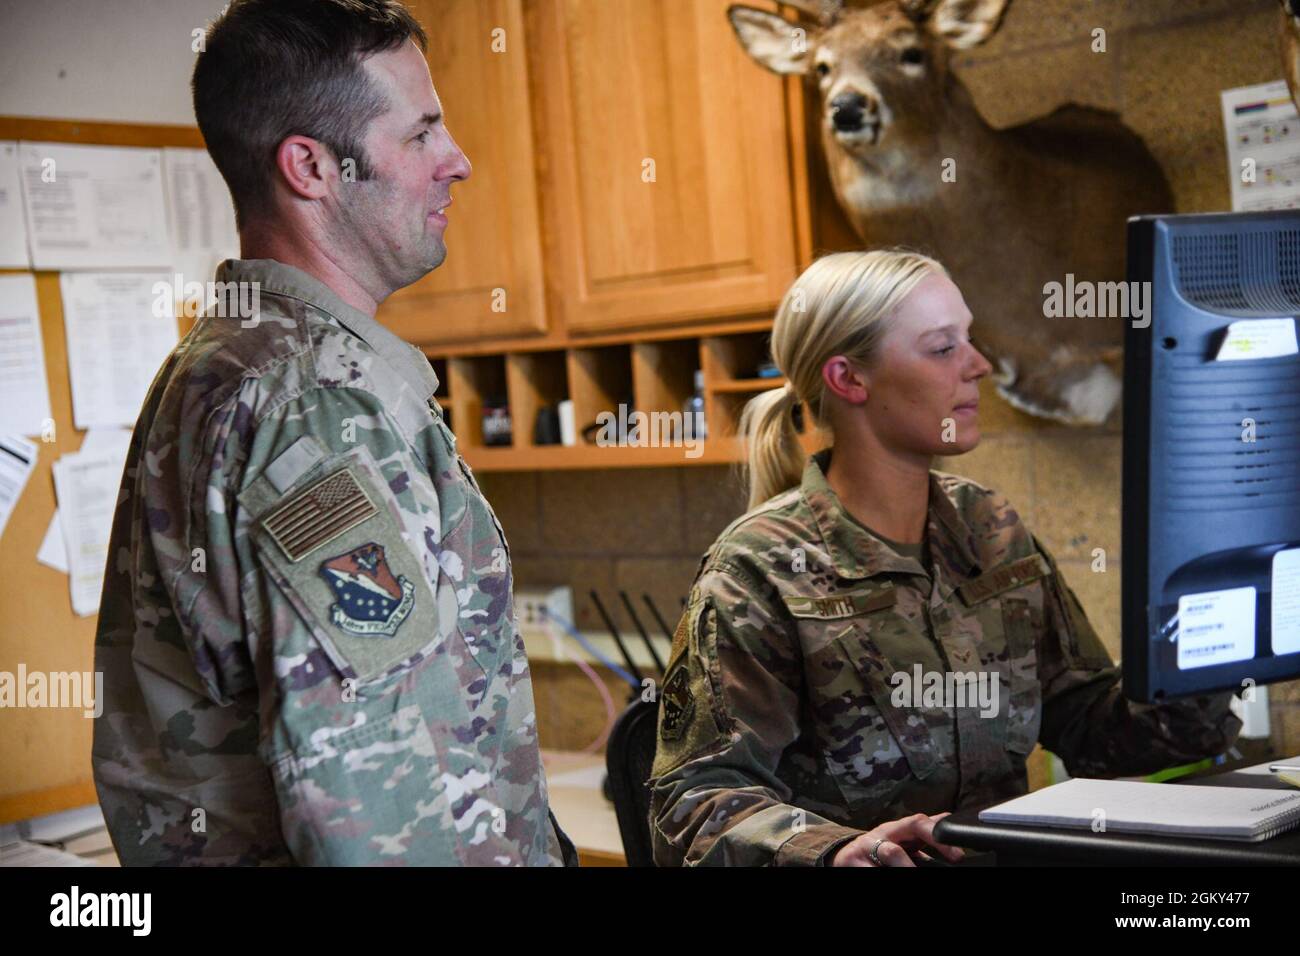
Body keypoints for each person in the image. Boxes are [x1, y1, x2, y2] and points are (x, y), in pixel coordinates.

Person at [92, 0, 575, 866]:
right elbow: (377, 800)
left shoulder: (227, 360)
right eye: (421, 133)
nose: (457, 162)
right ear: (312, 167)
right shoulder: (312, 403)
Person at [648, 249, 1242, 867]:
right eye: (942, 348)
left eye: (970, 340)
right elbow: (693, 803)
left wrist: (1205, 648)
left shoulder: (992, 530)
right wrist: (835, 852)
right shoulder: (758, 568)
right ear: (849, 379)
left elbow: (1090, 727)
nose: (979, 365)